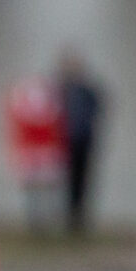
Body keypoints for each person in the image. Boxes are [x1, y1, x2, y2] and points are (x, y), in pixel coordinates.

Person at [56, 52, 104, 234]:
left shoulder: (87, 90)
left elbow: (98, 109)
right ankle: (69, 216)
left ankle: (79, 216)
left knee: (83, 180)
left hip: (84, 142)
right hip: (66, 143)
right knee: (67, 180)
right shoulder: (61, 90)